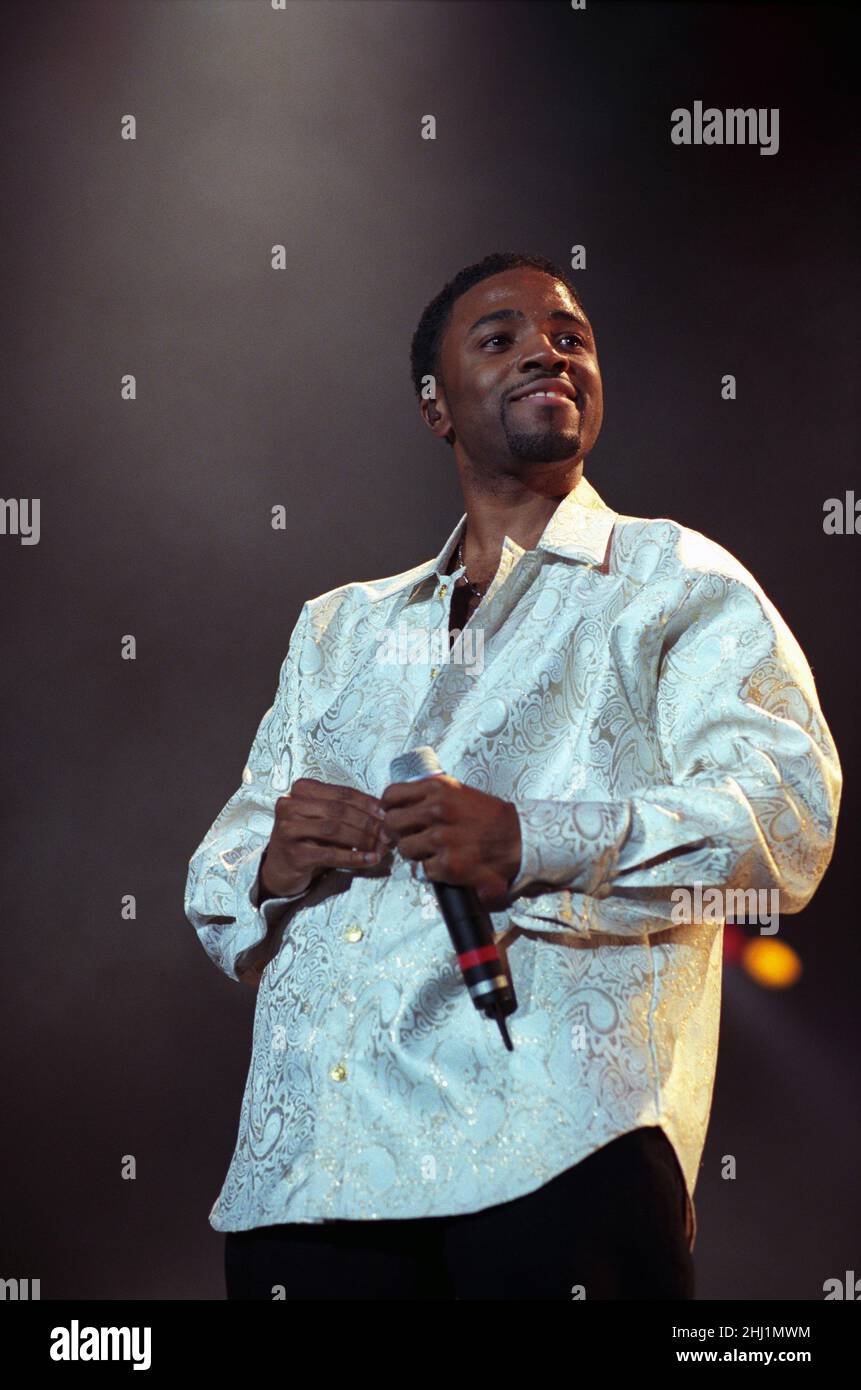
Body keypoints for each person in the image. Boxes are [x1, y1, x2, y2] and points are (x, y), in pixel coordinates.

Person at [184, 251, 841, 1300]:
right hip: (310, 1172)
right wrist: (269, 858)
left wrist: (529, 838)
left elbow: (786, 821)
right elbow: (217, 882)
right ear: (435, 407)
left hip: (551, 1152)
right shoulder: (338, 627)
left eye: (570, 336)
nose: (548, 349)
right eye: (501, 338)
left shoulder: (675, 580)